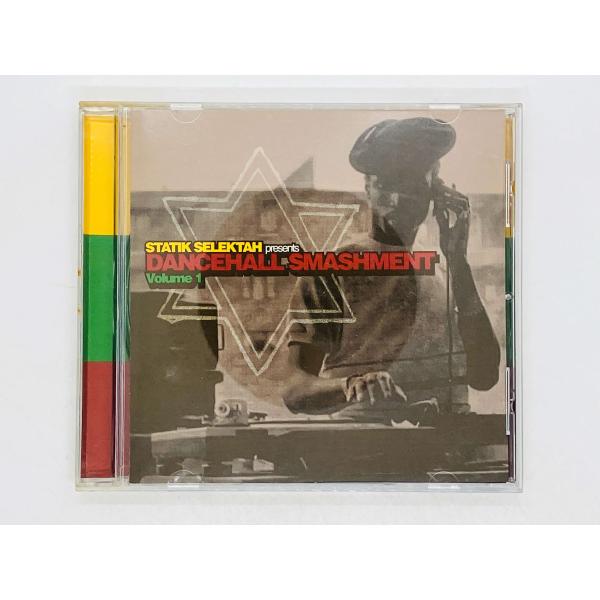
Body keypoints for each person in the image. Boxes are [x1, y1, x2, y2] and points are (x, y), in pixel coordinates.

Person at [282, 117, 500, 417]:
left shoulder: (446, 270)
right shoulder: (332, 270)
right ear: (367, 188)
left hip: (448, 442)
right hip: (367, 441)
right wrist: (352, 385)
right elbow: (295, 390)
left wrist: (458, 261)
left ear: (435, 188)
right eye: (385, 186)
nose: (396, 201)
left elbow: (485, 376)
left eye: (411, 185)